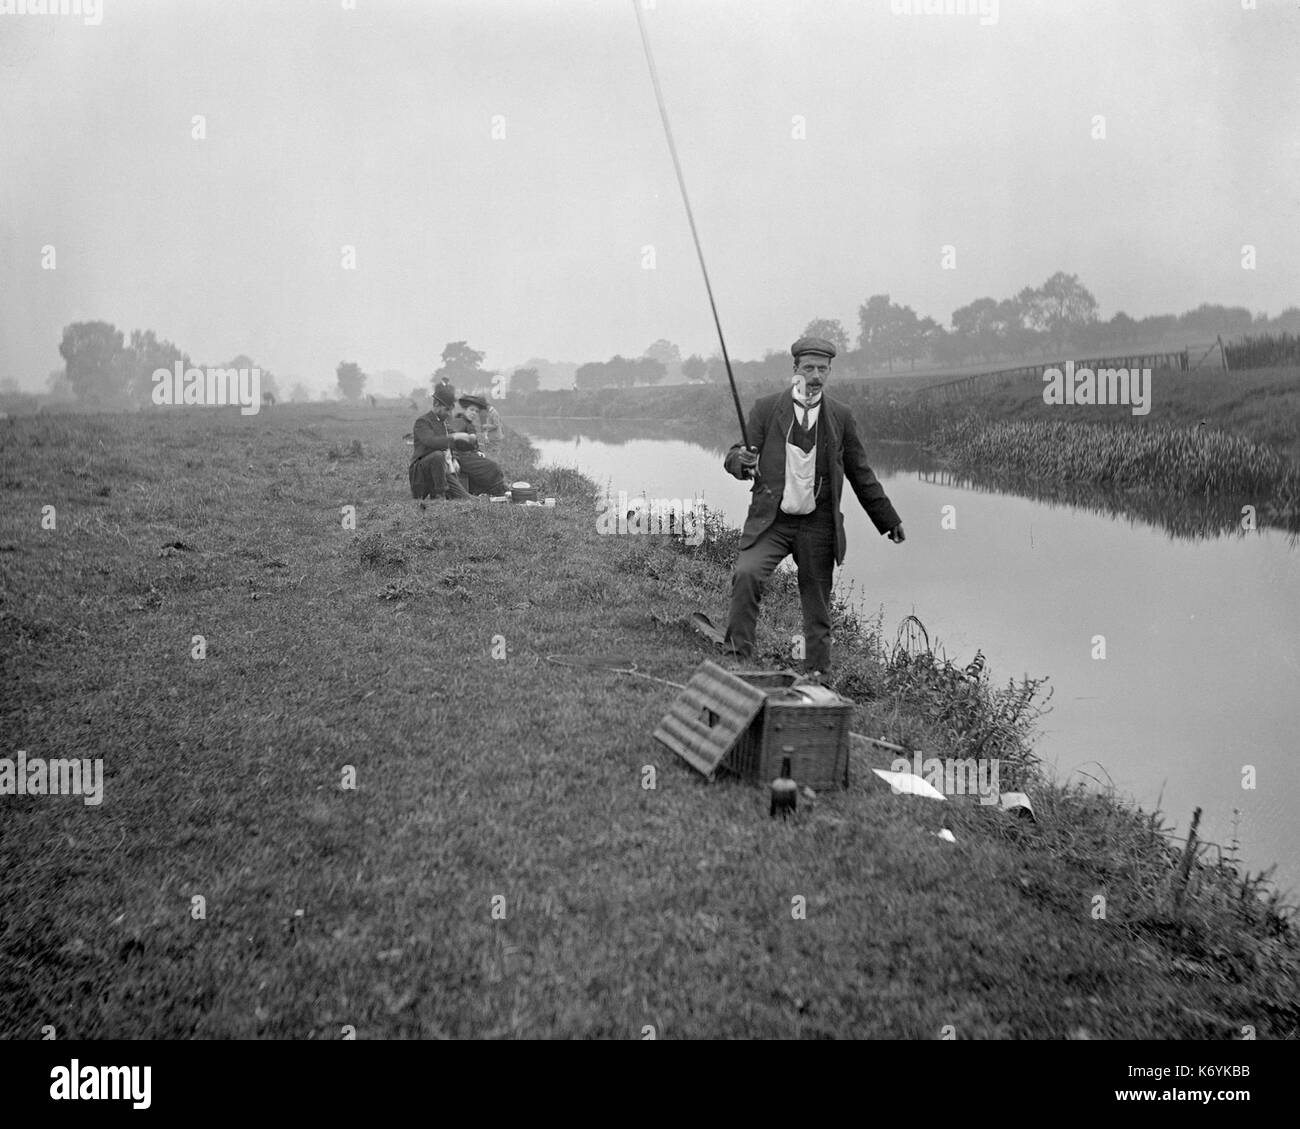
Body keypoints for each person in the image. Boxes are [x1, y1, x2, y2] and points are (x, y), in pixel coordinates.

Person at [720, 335, 905, 675]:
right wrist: (743, 462)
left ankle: (817, 678)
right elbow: (735, 455)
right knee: (747, 573)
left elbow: (860, 471)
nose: (815, 375)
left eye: (823, 368)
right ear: (795, 370)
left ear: (830, 371)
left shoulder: (841, 416)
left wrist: (888, 518)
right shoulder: (765, 408)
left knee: (817, 605)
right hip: (772, 522)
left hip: (818, 525)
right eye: (809, 368)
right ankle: (737, 660)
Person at [409, 384, 472, 500]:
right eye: (446, 409)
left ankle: (447, 493)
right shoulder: (422, 422)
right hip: (421, 475)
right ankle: (439, 496)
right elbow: (432, 441)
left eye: (450, 410)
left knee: (467, 499)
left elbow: (453, 444)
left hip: (444, 472)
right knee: (438, 455)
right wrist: (455, 436)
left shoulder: (444, 423)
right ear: (437, 405)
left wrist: (455, 458)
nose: (449, 414)